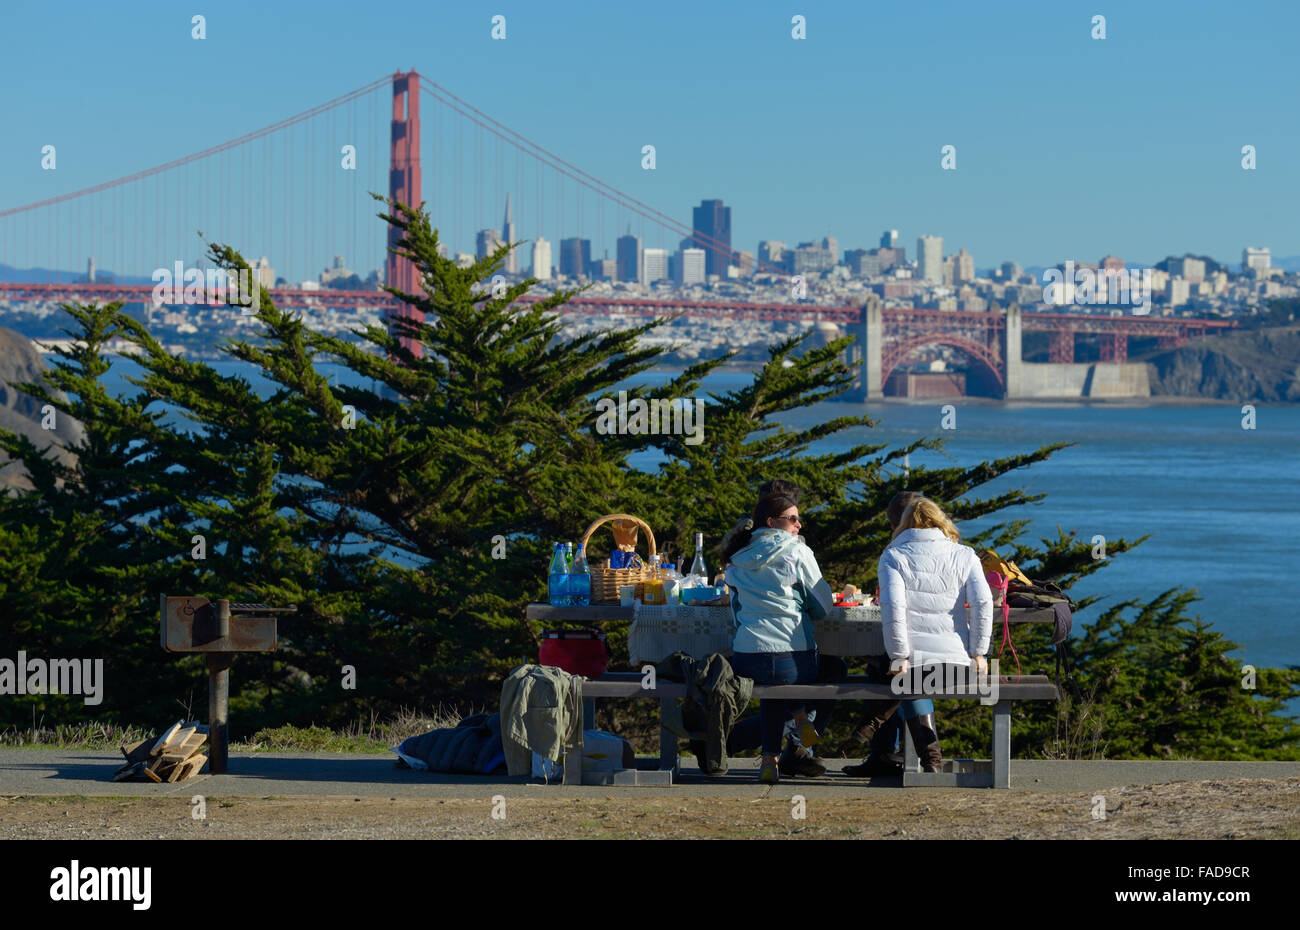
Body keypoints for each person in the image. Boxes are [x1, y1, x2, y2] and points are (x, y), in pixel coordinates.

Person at [721, 491, 835, 784]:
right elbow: (824, 607)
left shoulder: (735, 559)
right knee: (834, 671)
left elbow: (735, 615)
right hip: (792, 657)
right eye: (793, 519)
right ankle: (798, 739)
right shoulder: (797, 552)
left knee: (775, 683)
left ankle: (770, 759)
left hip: (748, 657)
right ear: (772, 522)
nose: (799, 525)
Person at [875, 497, 992, 773]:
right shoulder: (964, 554)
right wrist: (978, 653)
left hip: (915, 665)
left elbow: (893, 608)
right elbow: (983, 603)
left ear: (903, 525)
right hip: (960, 665)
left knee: (895, 674)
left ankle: (915, 754)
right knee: (906, 677)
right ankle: (922, 758)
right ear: (941, 522)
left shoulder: (893, 555)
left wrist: (899, 655)